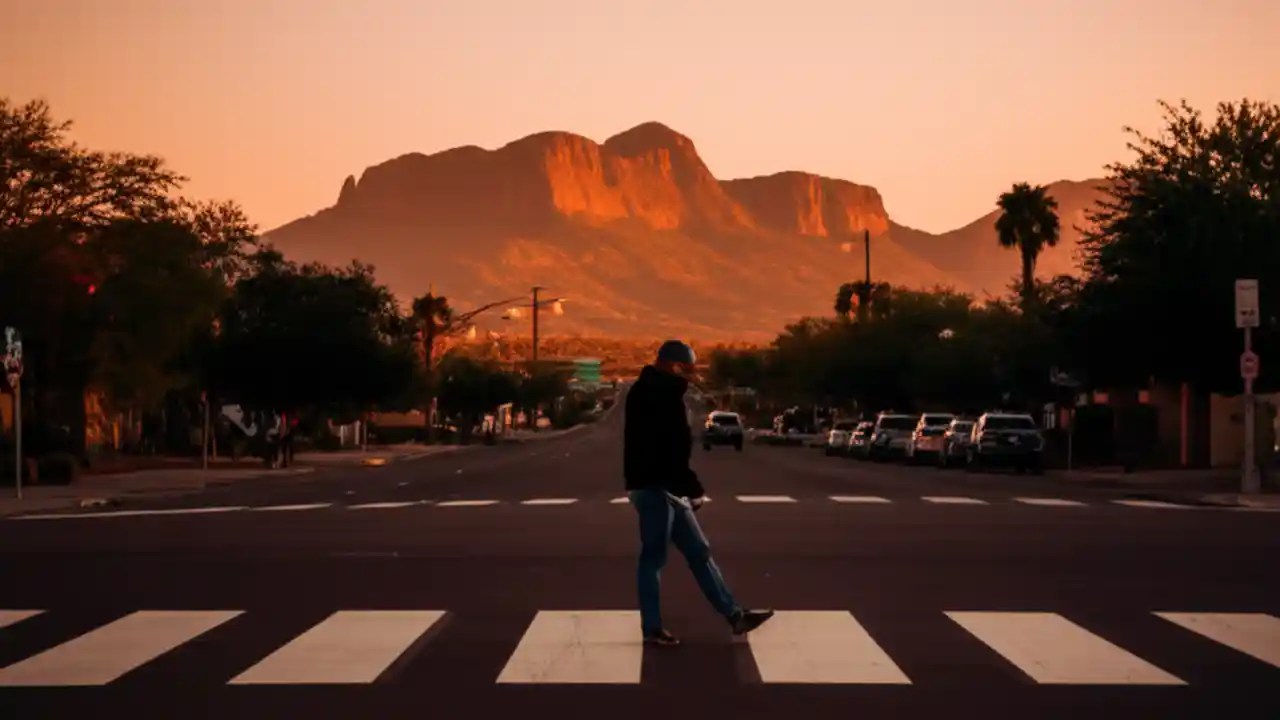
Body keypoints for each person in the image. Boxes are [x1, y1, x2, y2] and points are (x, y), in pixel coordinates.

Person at [624, 340, 774, 647]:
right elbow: (668, 451)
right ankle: (652, 628)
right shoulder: (660, 395)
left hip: (666, 487)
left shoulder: (653, 391)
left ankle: (735, 616)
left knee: (699, 552)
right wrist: (691, 487)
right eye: (687, 369)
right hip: (657, 487)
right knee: (653, 557)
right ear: (673, 366)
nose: (690, 376)